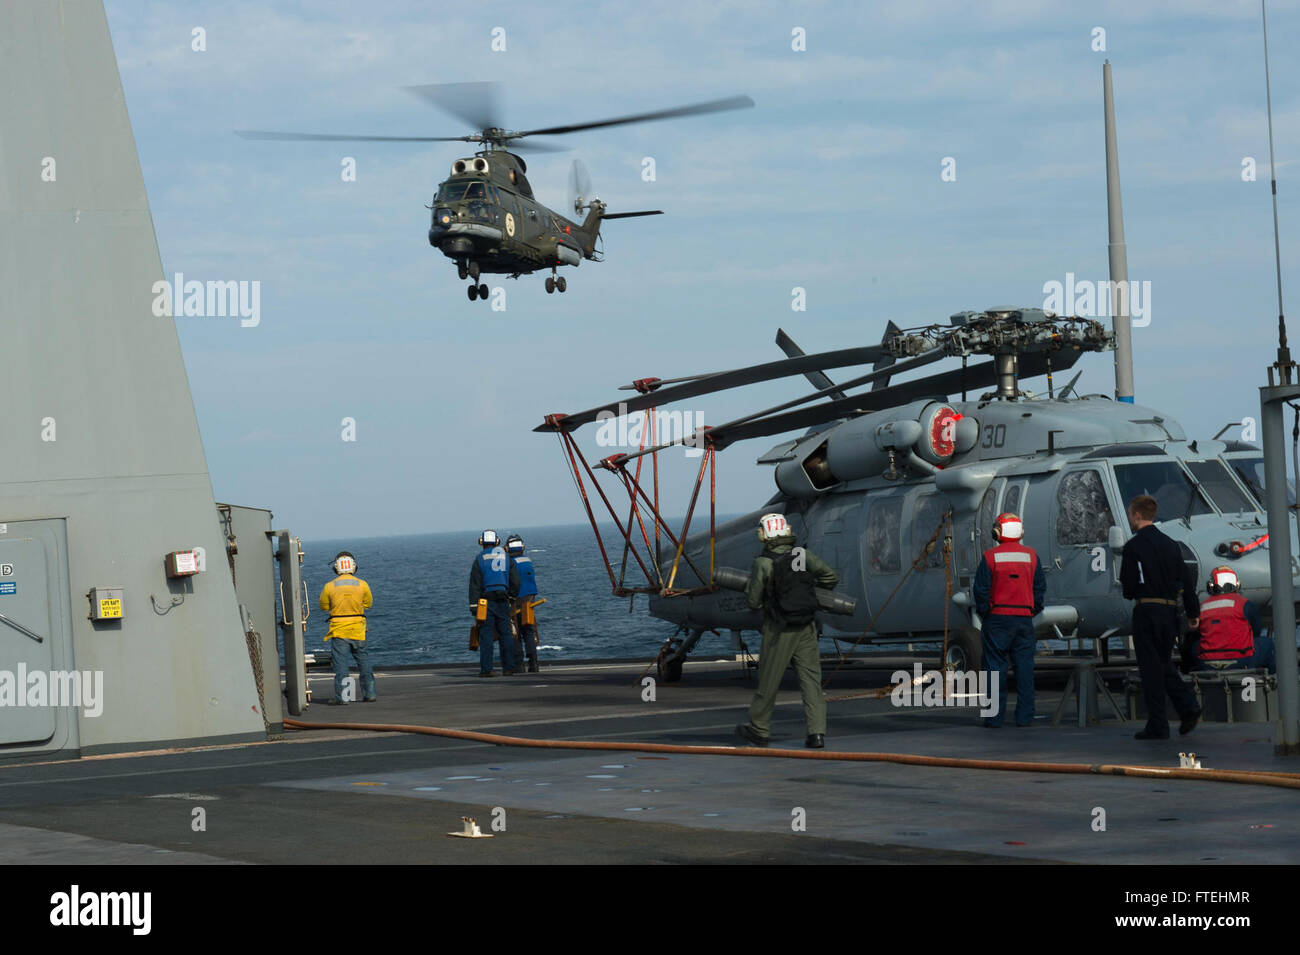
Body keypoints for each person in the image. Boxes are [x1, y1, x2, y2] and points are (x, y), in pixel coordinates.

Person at [735, 513, 838, 749]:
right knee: (811, 681)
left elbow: (753, 601)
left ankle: (759, 730)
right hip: (806, 627)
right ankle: (817, 734)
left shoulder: (764, 562)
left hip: (779, 628)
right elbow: (830, 577)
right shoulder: (802, 555)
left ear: (766, 534)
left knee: (769, 681)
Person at [1120, 494, 1202, 739]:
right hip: (1169, 613)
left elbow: (1129, 587)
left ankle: (1160, 723)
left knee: (1151, 669)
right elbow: (1186, 580)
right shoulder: (1171, 544)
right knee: (1164, 664)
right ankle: (1187, 709)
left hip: (1147, 611)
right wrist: (1193, 611)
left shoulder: (1133, 547)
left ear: (1136, 515)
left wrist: (1135, 591)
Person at [972, 512, 1046, 728]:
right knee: (1024, 669)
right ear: (1020, 532)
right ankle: (1024, 717)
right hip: (1023, 619)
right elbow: (1040, 589)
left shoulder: (989, 557)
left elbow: (981, 591)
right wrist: (1031, 610)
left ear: (997, 532)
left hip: (997, 619)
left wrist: (986, 613)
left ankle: (994, 718)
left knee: (995, 669)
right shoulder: (1032, 556)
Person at [1189, 565, 1276, 673]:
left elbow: (1198, 632)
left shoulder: (1202, 607)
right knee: (1268, 644)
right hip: (1242, 660)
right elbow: (1256, 630)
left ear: (1211, 586)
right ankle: (1276, 682)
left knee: (1195, 646)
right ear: (1237, 584)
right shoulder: (1245, 604)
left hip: (1207, 663)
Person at [319, 551, 375, 704]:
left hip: (339, 630)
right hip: (358, 629)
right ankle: (370, 694)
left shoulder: (329, 586)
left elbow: (324, 606)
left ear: (336, 568)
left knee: (341, 665)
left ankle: (344, 698)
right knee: (363, 662)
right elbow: (368, 604)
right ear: (354, 567)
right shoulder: (362, 584)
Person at [469, 529, 519, 677]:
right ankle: (509, 667)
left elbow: (474, 585)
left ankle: (486, 669)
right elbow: (515, 581)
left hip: (486, 603)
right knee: (506, 635)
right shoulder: (506, 557)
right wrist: (512, 596)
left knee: (486, 636)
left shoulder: (479, 559)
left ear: (481, 542)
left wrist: (474, 607)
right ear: (497, 542)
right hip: (503, 600)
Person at [506, 534, 541, 674]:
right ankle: (534, 663)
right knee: (528, 630)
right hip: (530, 599)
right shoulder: (528, 560)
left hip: (516, 600)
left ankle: (519, 664)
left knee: (515, 632)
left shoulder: (510, 563)